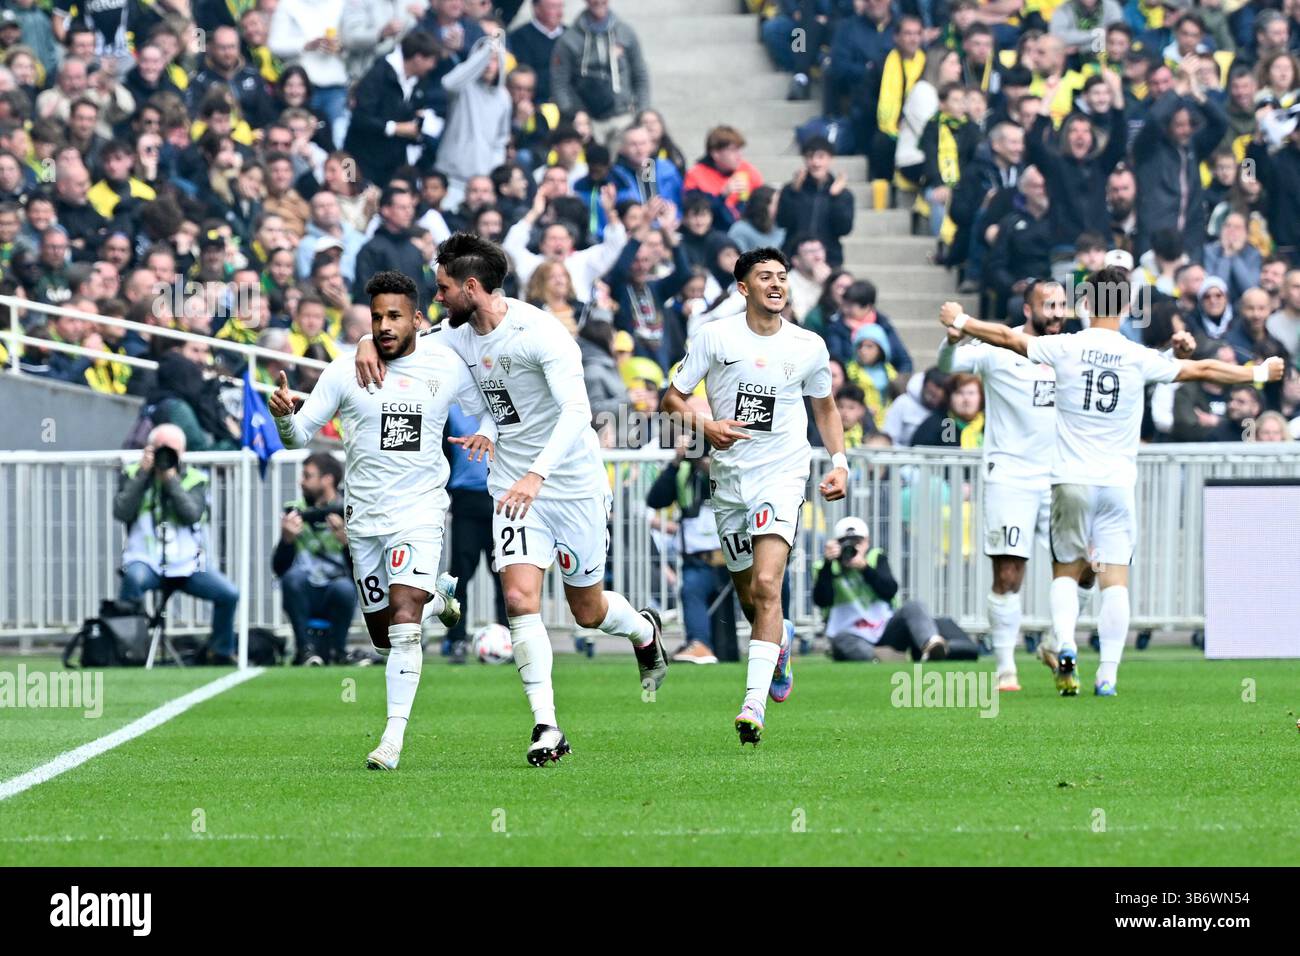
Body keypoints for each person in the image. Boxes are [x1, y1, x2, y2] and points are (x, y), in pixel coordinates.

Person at [353, 234, 668, 767]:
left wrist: (537, 475)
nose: (437, 297)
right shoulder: (454, 336)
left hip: (570, 483)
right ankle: (547, 725)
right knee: (520, 599)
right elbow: (400, 342)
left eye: (444, 287)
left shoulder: (541, 333)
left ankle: (643, 629)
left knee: (586, 610)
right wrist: (365, 341)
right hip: (511, 487)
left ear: (472, 287)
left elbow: (575, 412)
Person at [939, 266, 1284, 696]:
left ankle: (1064, 645)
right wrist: (1256, 373)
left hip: (1069, 479)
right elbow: (1201, 369)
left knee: (1065, 572)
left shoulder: (1064, 346)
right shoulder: (1136, 356)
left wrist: (961, 321)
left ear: (1085, 304)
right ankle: (1108, 675)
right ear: (1126, 306)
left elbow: (1008, 338)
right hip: (1118, 482)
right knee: (1114, 579)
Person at [270, 270, 476, 771]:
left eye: (394, 316)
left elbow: (488, 403)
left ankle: (391, 739)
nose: (384, 325)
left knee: (404, 623)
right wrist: (281, 415)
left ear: (418, 320)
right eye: (376, 317)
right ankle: (441, 599)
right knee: (384, 636)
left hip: (420, 511)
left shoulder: (445, 366)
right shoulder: (344, 371)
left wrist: (489, 435)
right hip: (363, 519)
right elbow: (298, 438)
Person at [662, 246, 849, 746]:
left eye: (782, 277)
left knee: (768, 584)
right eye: (765, 277)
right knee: (749, 596)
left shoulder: (808, 345)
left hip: (783, 474)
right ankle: (779, 644)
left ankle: (752, 705)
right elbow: (671, 398)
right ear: (743, 288)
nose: (776, 284)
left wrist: (839, 462)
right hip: (729, 480)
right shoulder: (714, 337)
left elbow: (826, 409)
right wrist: (708, 424)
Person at [937, 278, 1081, 692]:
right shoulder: (998, 348)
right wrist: (950, 341)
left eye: (1061, 305)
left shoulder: (1070, 350)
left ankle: (1056, 642)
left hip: (1061, 479)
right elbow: (949, 366)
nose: (1056, 312)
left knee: (1084, 570)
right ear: (1027, 309)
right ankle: (1005, 668)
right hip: (1011, 478)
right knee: (1009, 573)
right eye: (1047, 305)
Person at [113, 424, 241, 665]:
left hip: (188, 563)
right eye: (161, 449)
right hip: (145, 559)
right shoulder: (133, 473)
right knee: (133, 579)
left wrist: (171, 480)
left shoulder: (195, 478)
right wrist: (143, 475)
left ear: (182, 452)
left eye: (171, 450)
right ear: (149, 449)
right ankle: (128, 650)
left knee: (229, 594)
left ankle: (220, 652)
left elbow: (192, 514)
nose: (166, 455)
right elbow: (121, 511)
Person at [815, 516, 979, 662]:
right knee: (840, 640)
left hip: (884, 628)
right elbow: (823, 600)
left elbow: (889, 590)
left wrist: (865, 568)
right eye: (845, 542)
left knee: (913, 606)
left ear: (867, 542)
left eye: (857, 542)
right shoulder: (824, 567)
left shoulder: (875, 558)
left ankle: (931, 644)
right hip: (852, 633)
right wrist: (828, 565)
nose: (851, 547)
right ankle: (879, 656)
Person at [645, 431, 730, 664]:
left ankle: (772, 646)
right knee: (691, 590)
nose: (705, 462)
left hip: (734, 557)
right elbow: (655, 500)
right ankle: (699, 644)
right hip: (698, 559)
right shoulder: (684, 473)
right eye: (701, 455)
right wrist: (676, 462)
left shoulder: (730, 470)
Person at [273, 452, 357, 665]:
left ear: (327, 479)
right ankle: (305, 651)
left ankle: (338, 650)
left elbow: (361, 572)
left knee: (346, 588)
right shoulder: (296, 510)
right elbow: (279, 569)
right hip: (305, 591)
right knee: (292, 579)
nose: (301, 481)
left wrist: (347, 543)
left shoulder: (350, 510)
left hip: (335, 589)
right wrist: (287, 540)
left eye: (307, 476)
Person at [443, 404, 509, 663]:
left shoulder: (502, 404)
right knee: (457, 579)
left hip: (502, 504)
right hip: (466, 504)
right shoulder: (453, 411)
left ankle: (509, 638)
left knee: (505, 577)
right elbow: (442, 453)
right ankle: (456, 639)